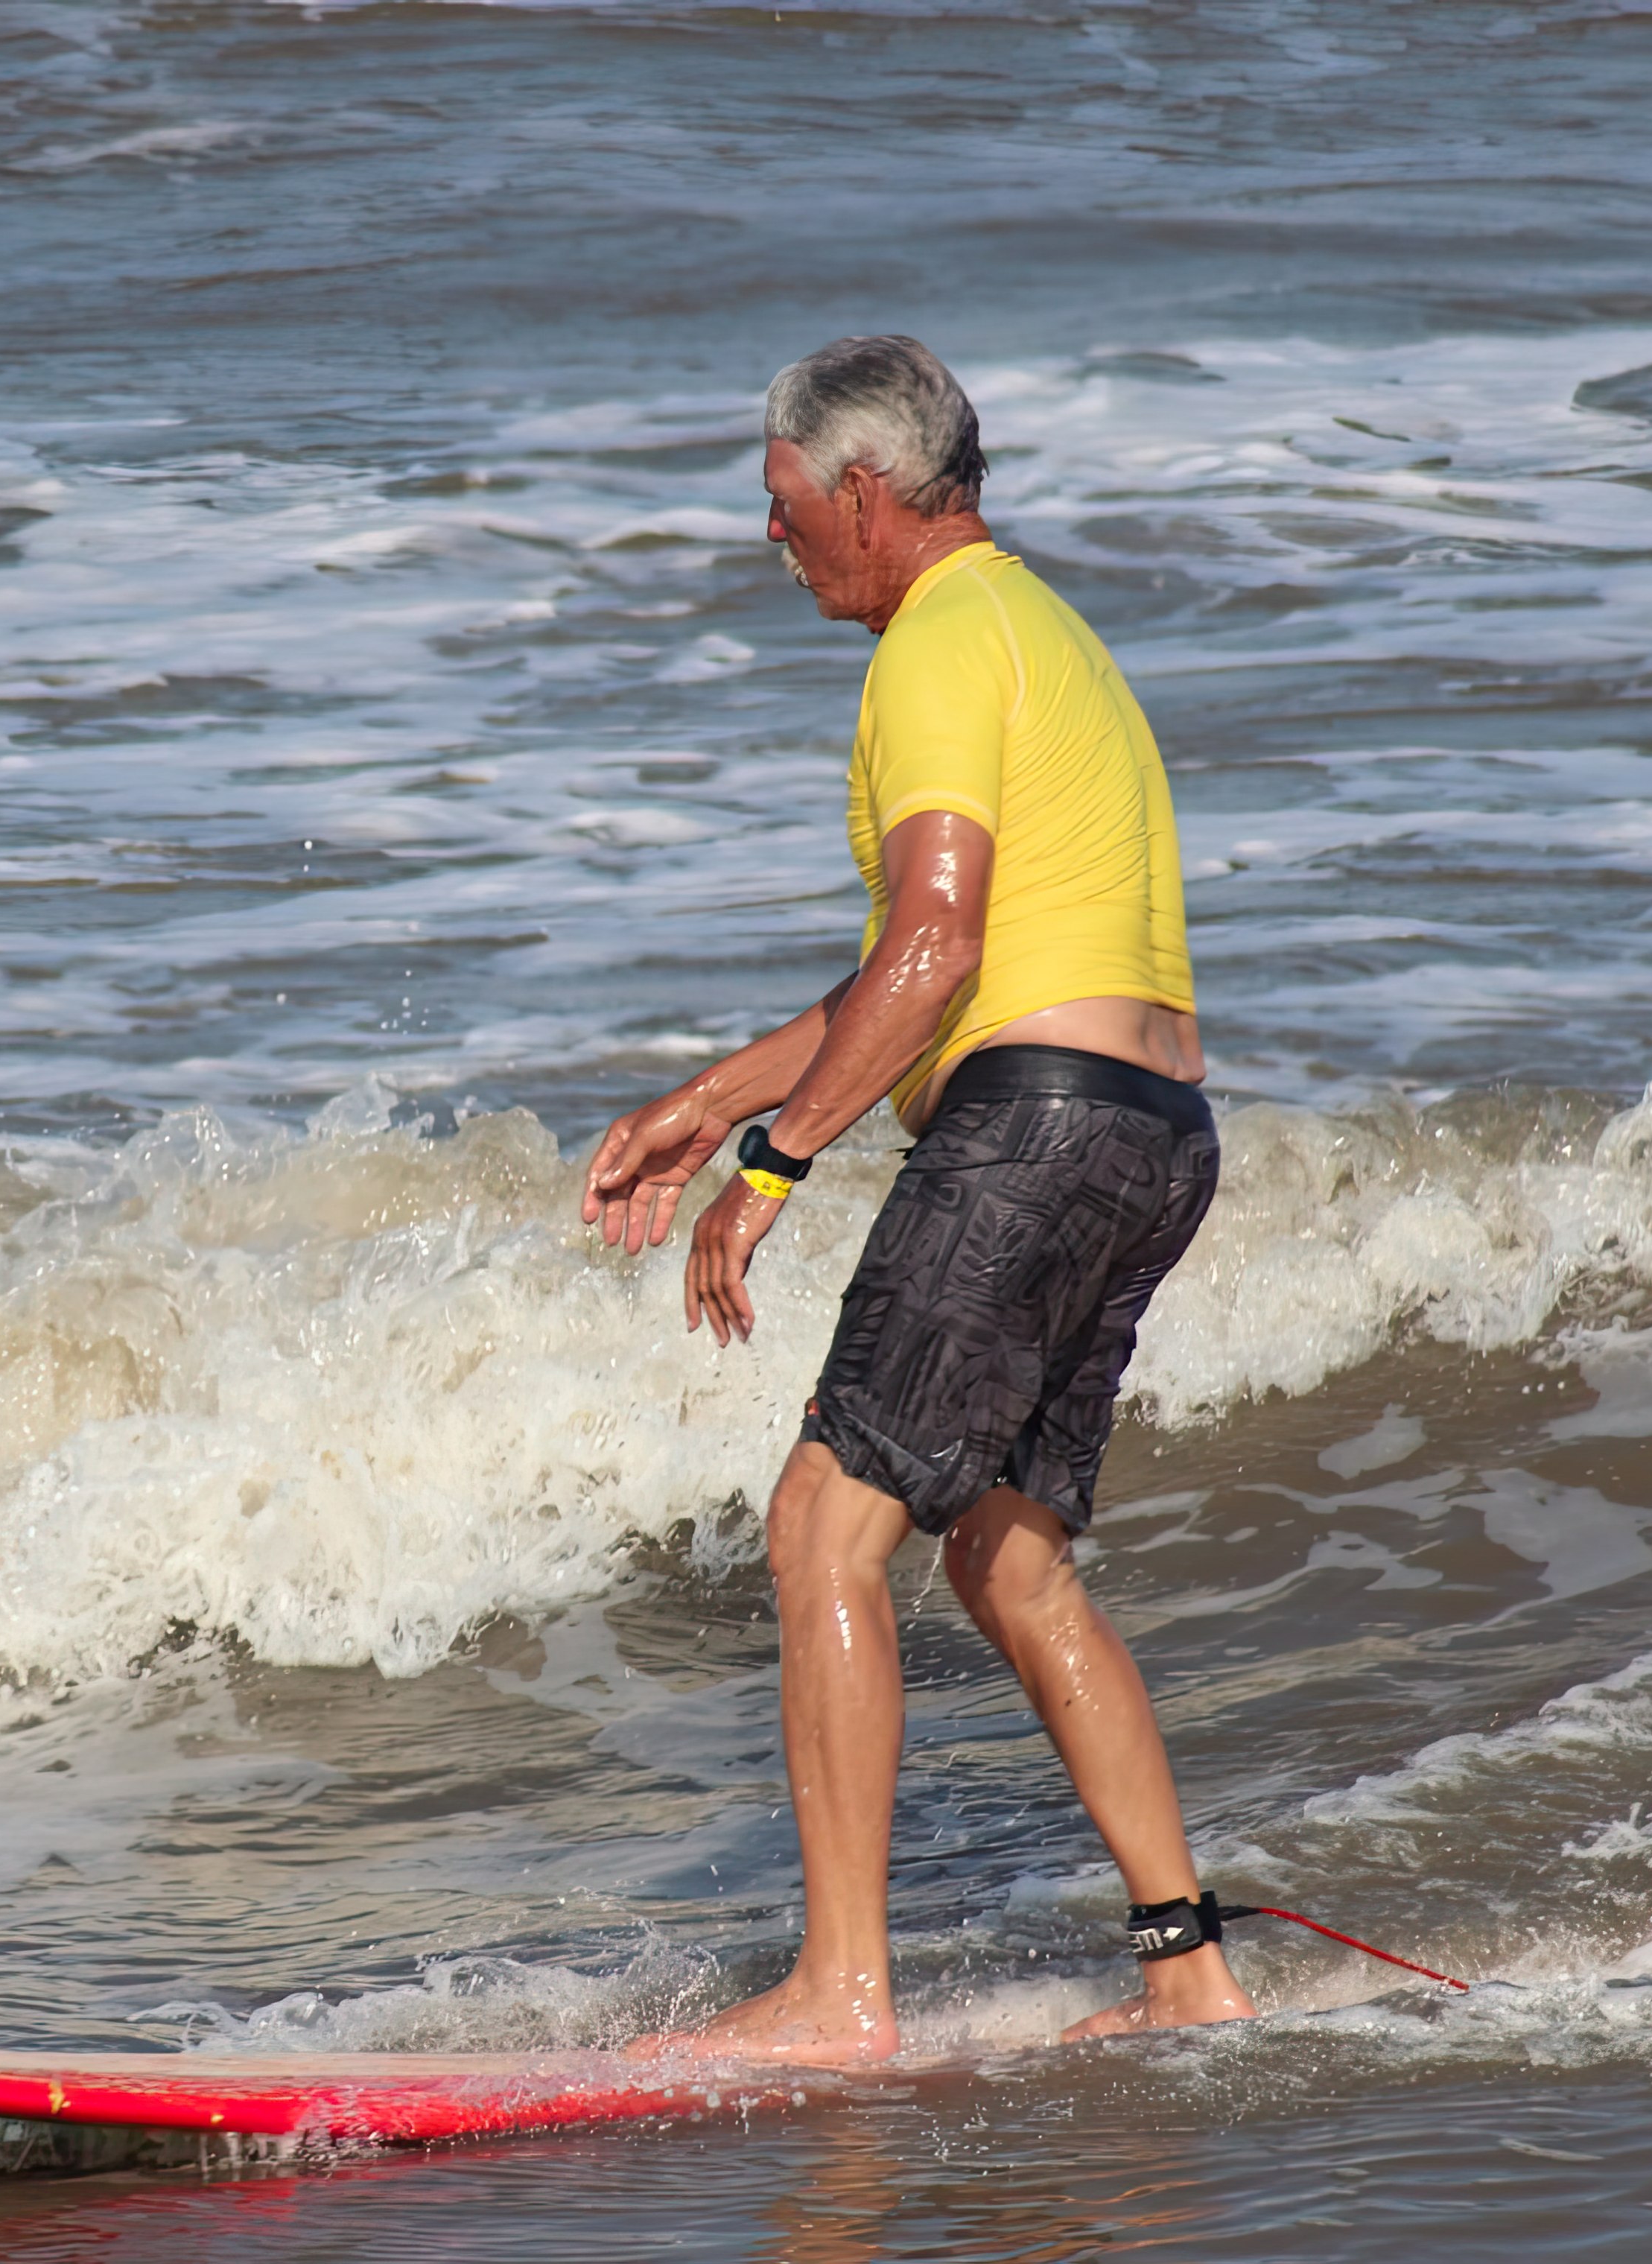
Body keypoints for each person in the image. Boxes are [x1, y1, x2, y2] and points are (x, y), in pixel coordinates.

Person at [581, 336, 1254, 2062]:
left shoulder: (937, 641)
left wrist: (774, 1165)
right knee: (1009, 1560)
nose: (774, 536)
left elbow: (936, 945)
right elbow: (929, 971)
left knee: (824, 1525)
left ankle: (838, 1993)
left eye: (784, 504)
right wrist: (707, 1102)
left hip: (1030, 1129)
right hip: (1153, 1130)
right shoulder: (1045, 630)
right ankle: (1187, 1963)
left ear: (865, 493)